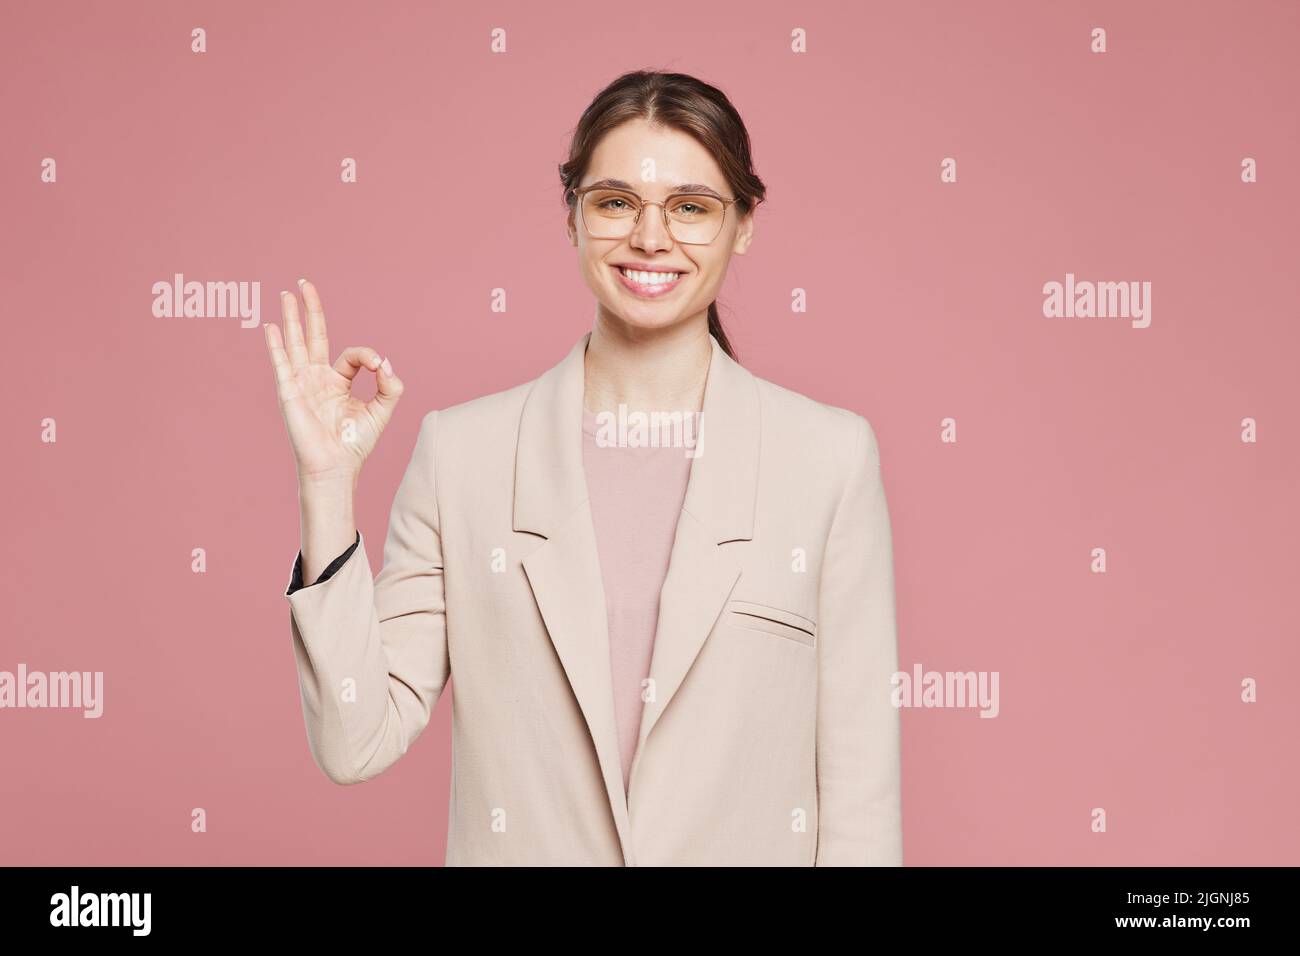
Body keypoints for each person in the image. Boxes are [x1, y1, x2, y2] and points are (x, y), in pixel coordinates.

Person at [263, 69, 901, 866]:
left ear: (743, 226)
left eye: (692, 208)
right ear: (571, 217)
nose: (650, 237)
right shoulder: (463, 455)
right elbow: (354, 739)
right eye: (614, 202)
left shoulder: (829, 458)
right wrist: (326, 486)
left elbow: (860, 799)